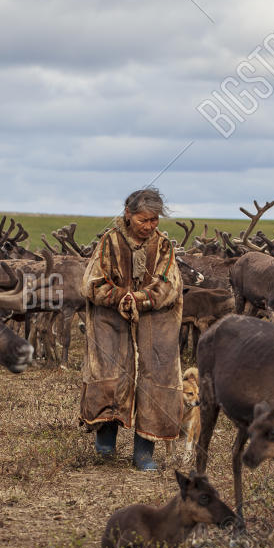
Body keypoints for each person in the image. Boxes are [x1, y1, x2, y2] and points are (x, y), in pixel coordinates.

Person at [78, 187, 184, 471]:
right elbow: (92, 283)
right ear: (128, 214)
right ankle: (105, 445)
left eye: (154, 220)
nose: (149, 226)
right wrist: (119, 298)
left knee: (154, 381)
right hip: (111, 319)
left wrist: (140, 299)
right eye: (143, 220)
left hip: (155, 322)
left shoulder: (163, 247)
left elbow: (169, 286)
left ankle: (144, 453)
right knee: (111, 374)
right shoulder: (109, 243)